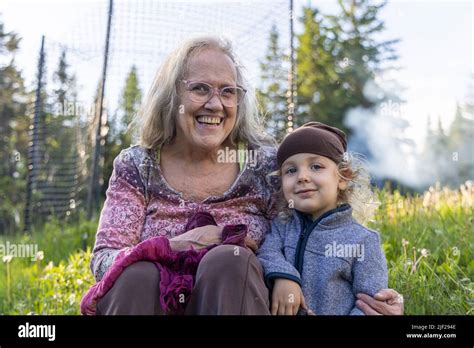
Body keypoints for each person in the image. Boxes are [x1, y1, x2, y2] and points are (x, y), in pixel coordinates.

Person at [89, 36, 404, 315]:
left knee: (229, 261)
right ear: (172, 96)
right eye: (199, 88)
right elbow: (104, 261)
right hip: (151, 302)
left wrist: (371, 299)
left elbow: (314, 235)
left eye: (228, 92)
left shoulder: (265, 164)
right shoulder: (137, 166)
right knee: (137, 274)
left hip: (238, 301)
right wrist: (176, 245)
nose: (215, 104)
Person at [258, 122, 394, 315]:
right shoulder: (282, 226)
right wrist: (285, 276)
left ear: (342, 178)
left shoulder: (363, 240)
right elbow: (266, 252)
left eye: (316, 166)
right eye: (291, 170)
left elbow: (370, 304)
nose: (302, 177)